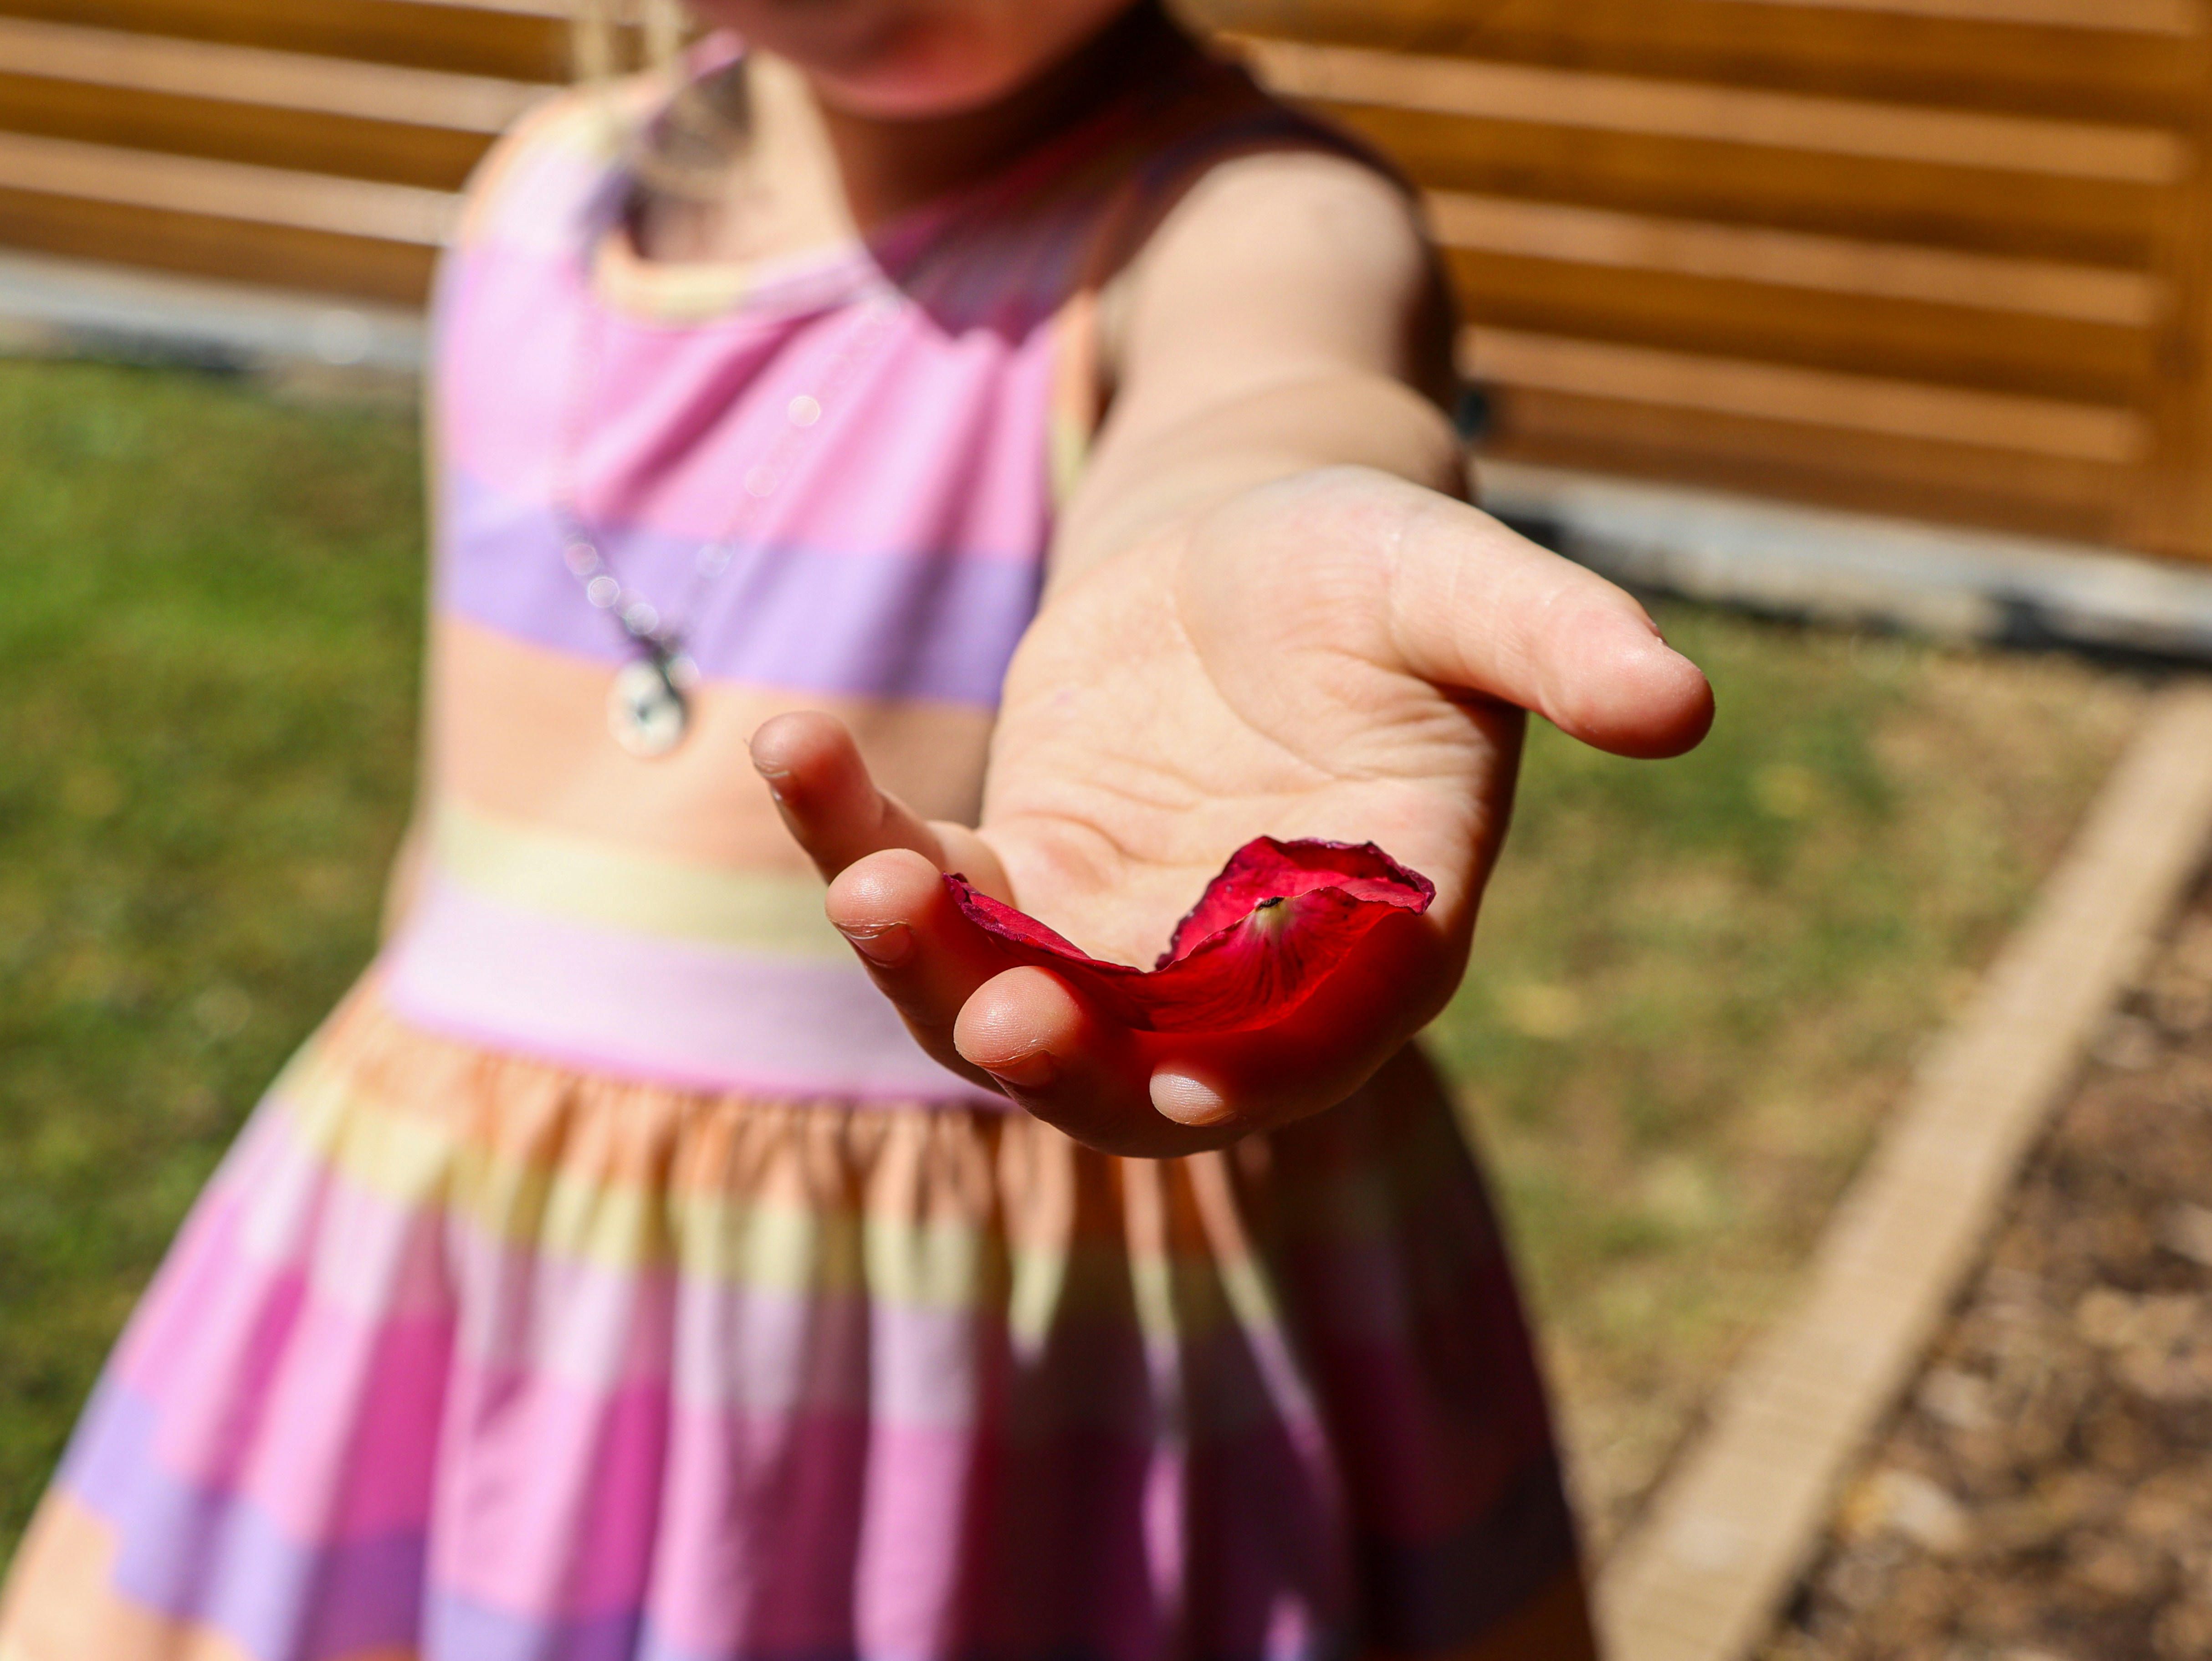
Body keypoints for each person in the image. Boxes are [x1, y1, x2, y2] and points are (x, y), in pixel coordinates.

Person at [0, 0, 1713, 1656]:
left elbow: (1268, 388)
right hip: (464, 1255)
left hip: (1011, 1347)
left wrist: (1252, 507)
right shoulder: (537, 202)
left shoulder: (1245, 219)